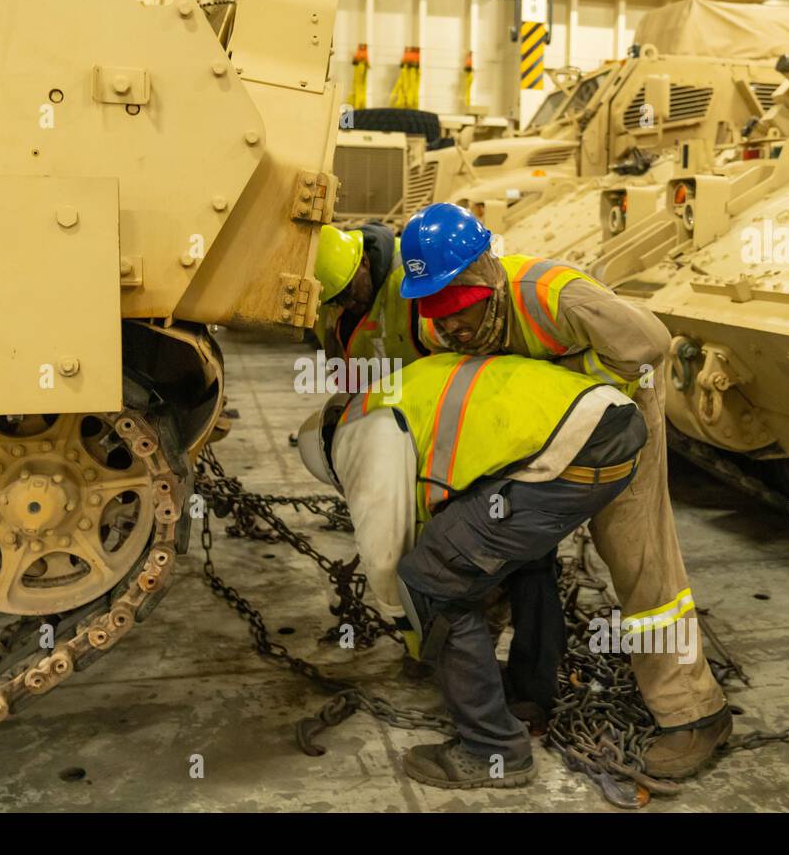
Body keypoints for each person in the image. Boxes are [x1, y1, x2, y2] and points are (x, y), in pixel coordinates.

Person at [396, 202, 729, 780]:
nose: (450, 327)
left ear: (489, 278)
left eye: (460, 312)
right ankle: (528, 691)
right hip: (532, 438)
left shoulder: (555, 296)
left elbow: (651, 345)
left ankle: (694, 711)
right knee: (517, 555)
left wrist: (571, 385)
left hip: (614, 426)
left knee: (640, 561)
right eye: (437, 312)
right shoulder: (438, 323)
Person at [298, 351, 646, 789]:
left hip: (569, 451)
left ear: (330, 458)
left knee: (430, 581)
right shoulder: (398, 391)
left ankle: (493, 748)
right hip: (611, 428)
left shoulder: (360, 432)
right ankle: (531, 695)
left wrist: (417, 636)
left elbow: (386, 556)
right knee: (526, 559)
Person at [312, 224, 430, 365]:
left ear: (364, 261)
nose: (348, 304)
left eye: (350, 289)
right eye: (337, 300)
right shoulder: (324, 298)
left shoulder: (412, 276)